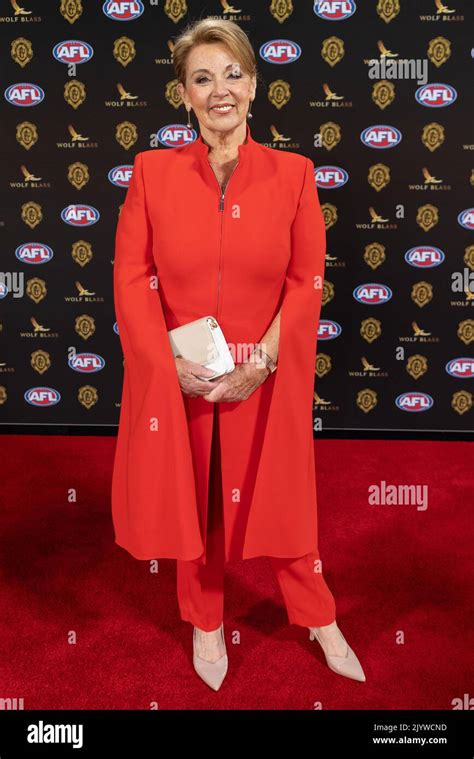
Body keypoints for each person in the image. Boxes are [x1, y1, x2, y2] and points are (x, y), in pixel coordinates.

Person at [112, 18, 366, 691]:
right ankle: (204, 621)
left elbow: (305, 281)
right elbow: (131, 279)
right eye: (202, 78)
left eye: (231, 74)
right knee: (195, 509)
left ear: (253, 84)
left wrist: (266, 359)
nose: (218, 89)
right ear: (184, 94)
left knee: (283, 502)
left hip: (266, 372)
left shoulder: (294, 174)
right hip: (185, 377)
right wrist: (166, 363)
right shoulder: (151, 173)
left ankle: (318, 616)